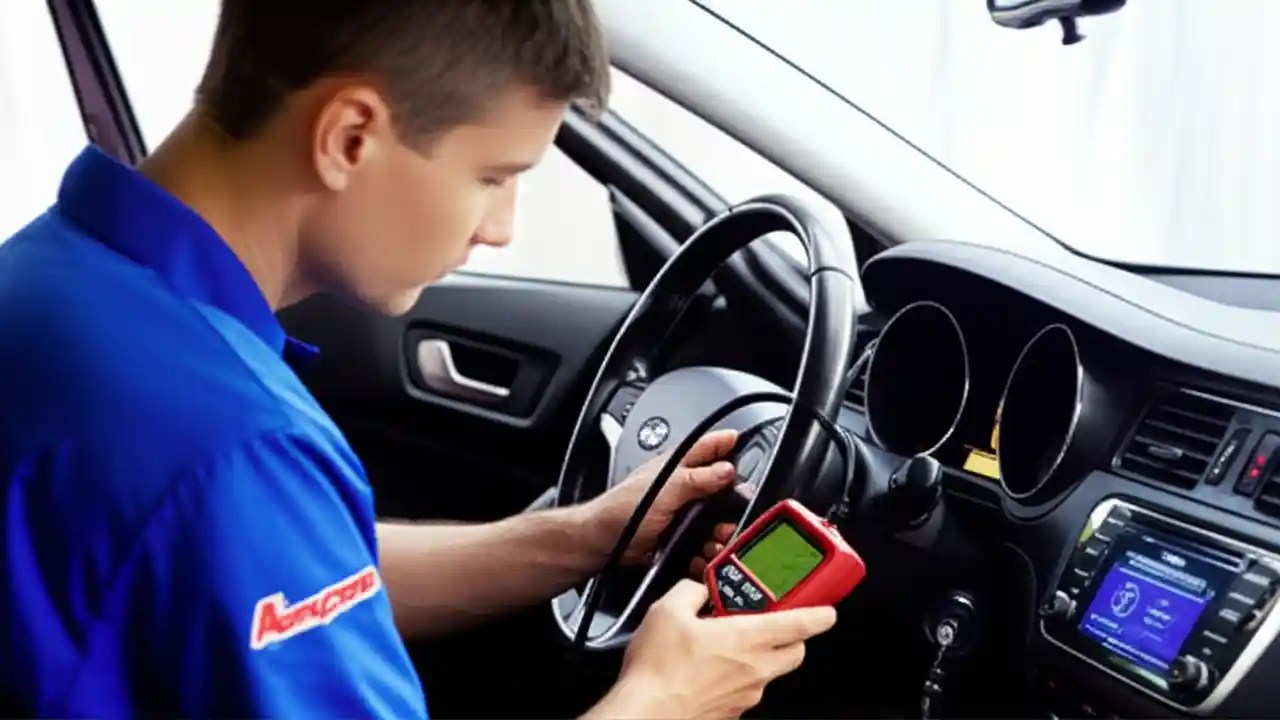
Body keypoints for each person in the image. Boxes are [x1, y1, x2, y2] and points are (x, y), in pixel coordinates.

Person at [0, 2, 837, 718]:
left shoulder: (51, 278)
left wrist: (579, 538)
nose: (500, 226)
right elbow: (245, 524)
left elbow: (296, 568)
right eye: (492, 175)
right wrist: (661, 699)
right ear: (350, 136)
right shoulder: (234, 450)